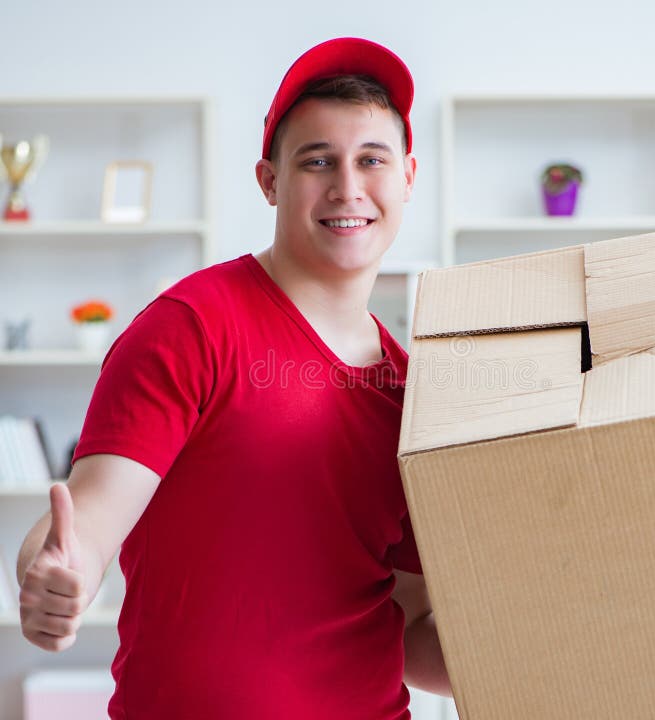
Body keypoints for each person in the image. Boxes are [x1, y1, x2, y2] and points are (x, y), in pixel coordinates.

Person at [16, 37, 452, 719]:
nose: (348, 187)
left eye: (372, 160)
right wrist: (56, 571)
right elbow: (88, 520)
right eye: (317, 161)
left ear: (407, 178)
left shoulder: (413, 390)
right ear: (270, 181)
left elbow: (408, 626)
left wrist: (538, 647)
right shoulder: (189, 327)